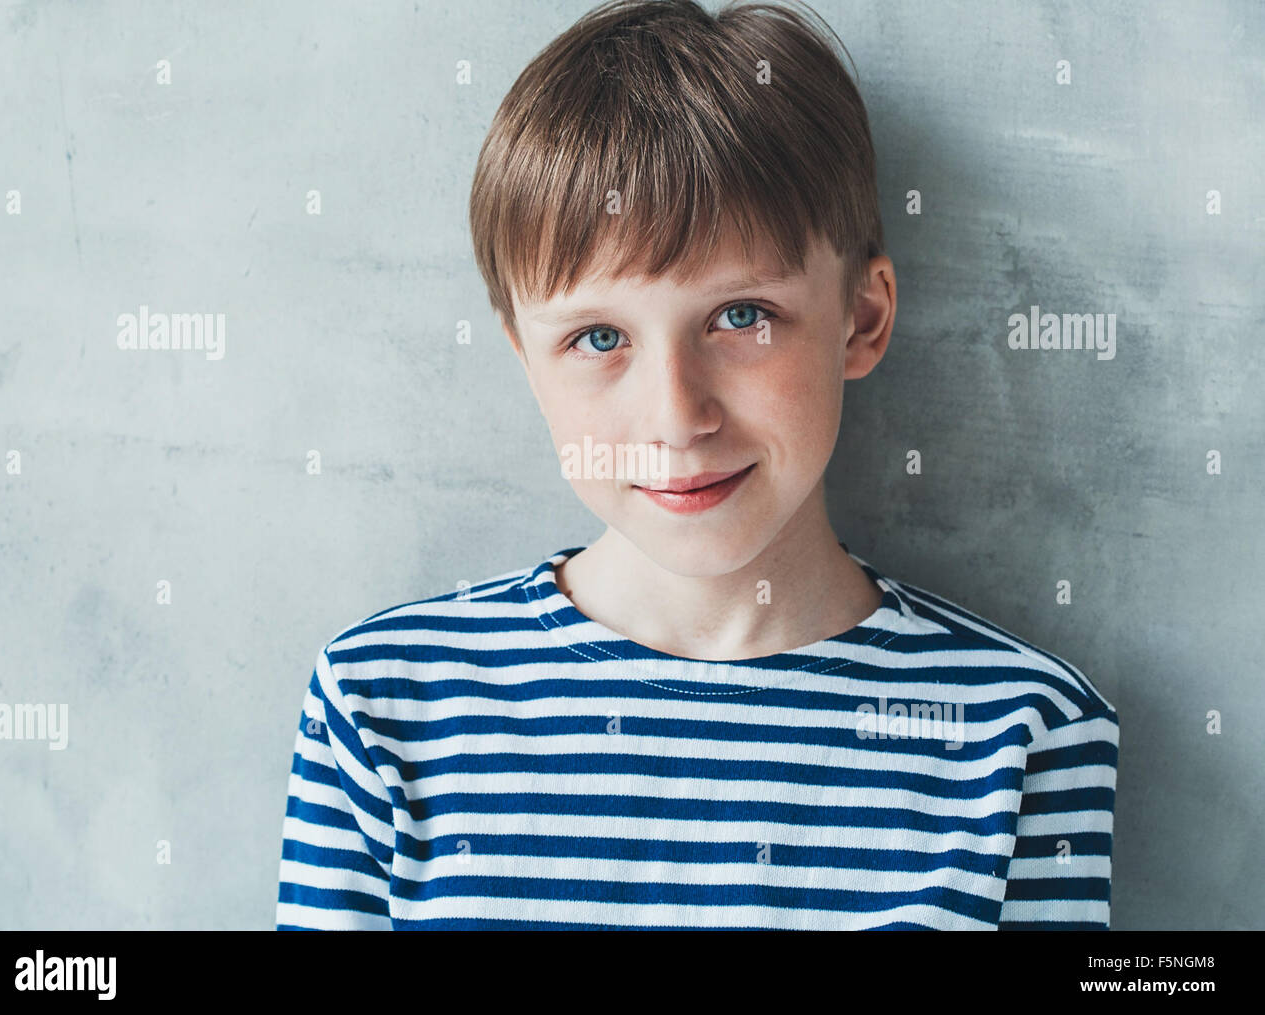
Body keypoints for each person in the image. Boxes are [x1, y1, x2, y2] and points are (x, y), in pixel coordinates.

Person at [276, 0, 1118, 930]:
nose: (678, 419)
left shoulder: (1018, 735)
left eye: (741, 317)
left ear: (863, 319)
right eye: (599, 336)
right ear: (525, 357)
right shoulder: (386, 702)